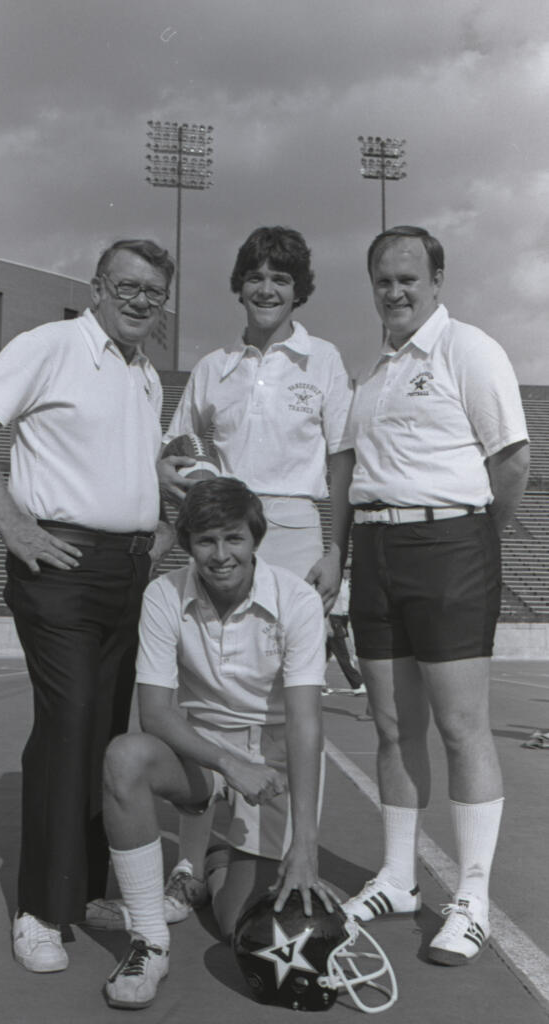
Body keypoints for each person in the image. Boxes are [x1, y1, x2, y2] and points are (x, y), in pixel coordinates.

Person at [0, 238, 176, 973]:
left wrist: (158, 523)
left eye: (153, 292)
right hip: (60, 566)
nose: (140, 301)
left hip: (127, 571)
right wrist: (12, 523)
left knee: (105, 734)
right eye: (126, 286)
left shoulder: (146, 376)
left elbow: (126, 468)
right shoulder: (50, 344)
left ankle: (85, 890)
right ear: (97, 287)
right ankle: (41, 908)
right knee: (69, 723)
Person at [340, 226, 530, 966]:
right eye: (382, 280)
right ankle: (395, 878)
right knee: (391, 725)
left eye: (407, 279)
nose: (394, 291)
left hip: (449, 546)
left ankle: (472, 896)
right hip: (377, 549)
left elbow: (511, 459)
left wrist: (477, 542)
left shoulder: (469, 349)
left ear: (436, 280)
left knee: (460, 727)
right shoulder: (375, 371)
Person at [157, 226, 354, 918]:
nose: (266, 288)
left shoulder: (323, 359)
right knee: (202, 693)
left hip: (297, 532)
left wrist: (336, 550)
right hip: (224, 532)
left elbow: (339, 463)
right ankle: (187, 862)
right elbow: (179, 444)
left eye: (280, 278)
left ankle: (291, 852)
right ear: (238, 285)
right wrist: (180, 482)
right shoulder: (213, 366)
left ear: (298, 291)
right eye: (255, 276)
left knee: (287, 702)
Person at [100, 477, 333, 1009]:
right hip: (201, 750)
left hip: (271, 752)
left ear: (256, 540)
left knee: (242, 929)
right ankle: (148, 939)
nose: (220, 555)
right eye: (206, 541)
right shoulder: (163, 593)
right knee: (124, 758)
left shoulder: (296, 601)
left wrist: (305, 847)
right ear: (188, 545)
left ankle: (211, 861)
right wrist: (229, 765)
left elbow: (304, 724)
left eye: (233, 539)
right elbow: (155, 713)